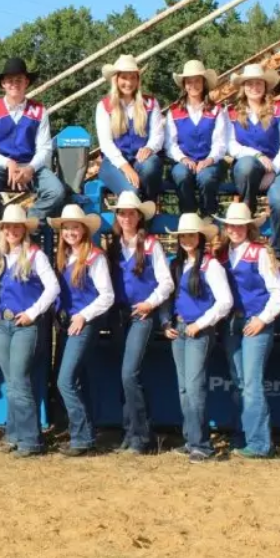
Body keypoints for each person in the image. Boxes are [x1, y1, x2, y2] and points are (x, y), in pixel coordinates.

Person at [217, 201, 280, 459]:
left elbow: (279, 293)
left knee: (251, 383)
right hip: (232, 324)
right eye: (231, 226)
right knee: (239, 382)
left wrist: (263, 319)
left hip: (255, 322)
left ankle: (259, 442)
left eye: (240, 226)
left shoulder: (259, 253)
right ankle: (243, 434)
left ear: (248, 227)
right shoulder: (222, 255)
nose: (235, 230)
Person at [0, 204, 59, 458]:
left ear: (24, 229)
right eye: (8, 227)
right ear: (3, 229)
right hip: (3, 323)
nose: (12, 230)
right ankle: (15, 434)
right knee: (12, 382)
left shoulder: (36, 255)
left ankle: (30, 440)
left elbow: (53, 288)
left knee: (18, 380)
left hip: (24, 324)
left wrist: (33, 312)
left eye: (16, 226)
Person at [103, 192, 172, 454]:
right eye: (122, 213)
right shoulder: (113, 246)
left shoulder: (152, 245)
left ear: (139, 216)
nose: (126, 217)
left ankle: (141, 436)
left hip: (141, 315)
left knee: (128, 374)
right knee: (126, 376)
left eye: (131, 212)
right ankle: (131, 432)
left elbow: (166, 283)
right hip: (119, 316)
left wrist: (150, 304)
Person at [163, 213, 232, 463]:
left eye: (192, 235)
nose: (187, 239)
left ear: (200, 237)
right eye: (183, 235)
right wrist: (166, 323)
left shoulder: (210, 265)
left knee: (193, 386)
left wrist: (200, 323)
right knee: (184, 388)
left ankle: (201, 443)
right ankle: (192, 438)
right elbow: (170, 298)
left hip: (199, 330)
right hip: (179, 329)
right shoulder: (177, 264)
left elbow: (225, 302)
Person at [49, 204, 114, 457]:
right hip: (69, 323)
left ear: (84, 230)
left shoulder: (95, 257)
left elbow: (107, 296)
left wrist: (83, 316)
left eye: (75, 227)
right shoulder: (65, 257)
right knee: (75, 380)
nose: (70, 232)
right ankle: (84, 434)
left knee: (65, 380)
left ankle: (81, 436)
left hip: (83, 323)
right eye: (66, 228)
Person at [0, 58, 67, 226]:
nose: (14, 84)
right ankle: (4, 225)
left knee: (56, 192)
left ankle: (27, 222)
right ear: (3, 84)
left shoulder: (39, 110)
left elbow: (45, 148)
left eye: (19, 80)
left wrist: (30, 168)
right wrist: (7, 162)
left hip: (31, 165)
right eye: (9, 80)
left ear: (26, 82)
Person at [226, 64, 280, 259]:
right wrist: (257, 155)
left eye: (259, 83)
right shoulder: (231, 112)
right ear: (243, 87)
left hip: (277, 166)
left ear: (266, 86)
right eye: (249, 83)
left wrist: (273, 168)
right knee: (247, 166)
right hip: (247, 167)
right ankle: (245, 242)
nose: (254, 87)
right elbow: (230, 145)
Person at [95, 55, 164, 202]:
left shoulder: (151, 103)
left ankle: (148, 207)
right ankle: (130, 219)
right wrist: (126, 167)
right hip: (114, 162)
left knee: (151, 165)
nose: (129, 82)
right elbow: (106, 144)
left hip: (141, 159)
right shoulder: (104, 106)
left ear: (138, 80)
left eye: (133, 78)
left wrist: (150, 148)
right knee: (131, 193)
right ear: (116, 79)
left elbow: (158, 134)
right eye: (124, 78)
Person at [165, 60, 227, 216]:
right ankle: (189, 215)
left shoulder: (216, 110)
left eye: (197, 80)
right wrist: (183, 159)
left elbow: (220, 142)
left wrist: (209, 160)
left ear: (204, 83)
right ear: (184, 85)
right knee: (181, 174)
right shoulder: (173, 112)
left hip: (210, 162)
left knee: (206, 178)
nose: (193, 85)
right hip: (183, 161)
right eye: (189, 81)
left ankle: (209, 215)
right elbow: (170, 145)